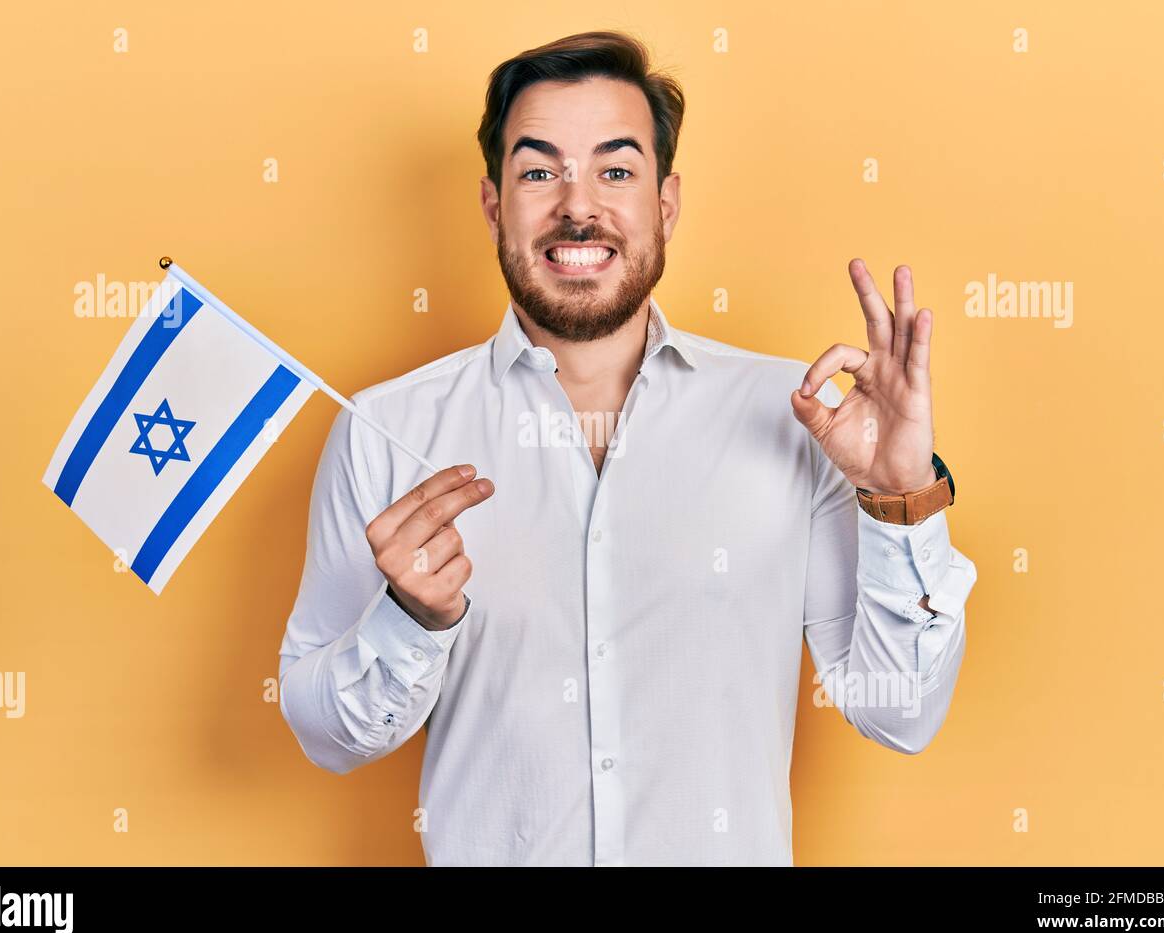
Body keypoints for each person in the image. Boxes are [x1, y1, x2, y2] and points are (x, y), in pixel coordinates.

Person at [277, 30, 978, 866]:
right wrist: (410, 620)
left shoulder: (797, 418)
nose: (579, 207)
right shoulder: (387, 429)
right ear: (495, 204)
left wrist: (901, 502)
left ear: (666, 203)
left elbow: (900, 715)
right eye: (539, 172)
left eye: (616, 170)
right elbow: (326, 736)